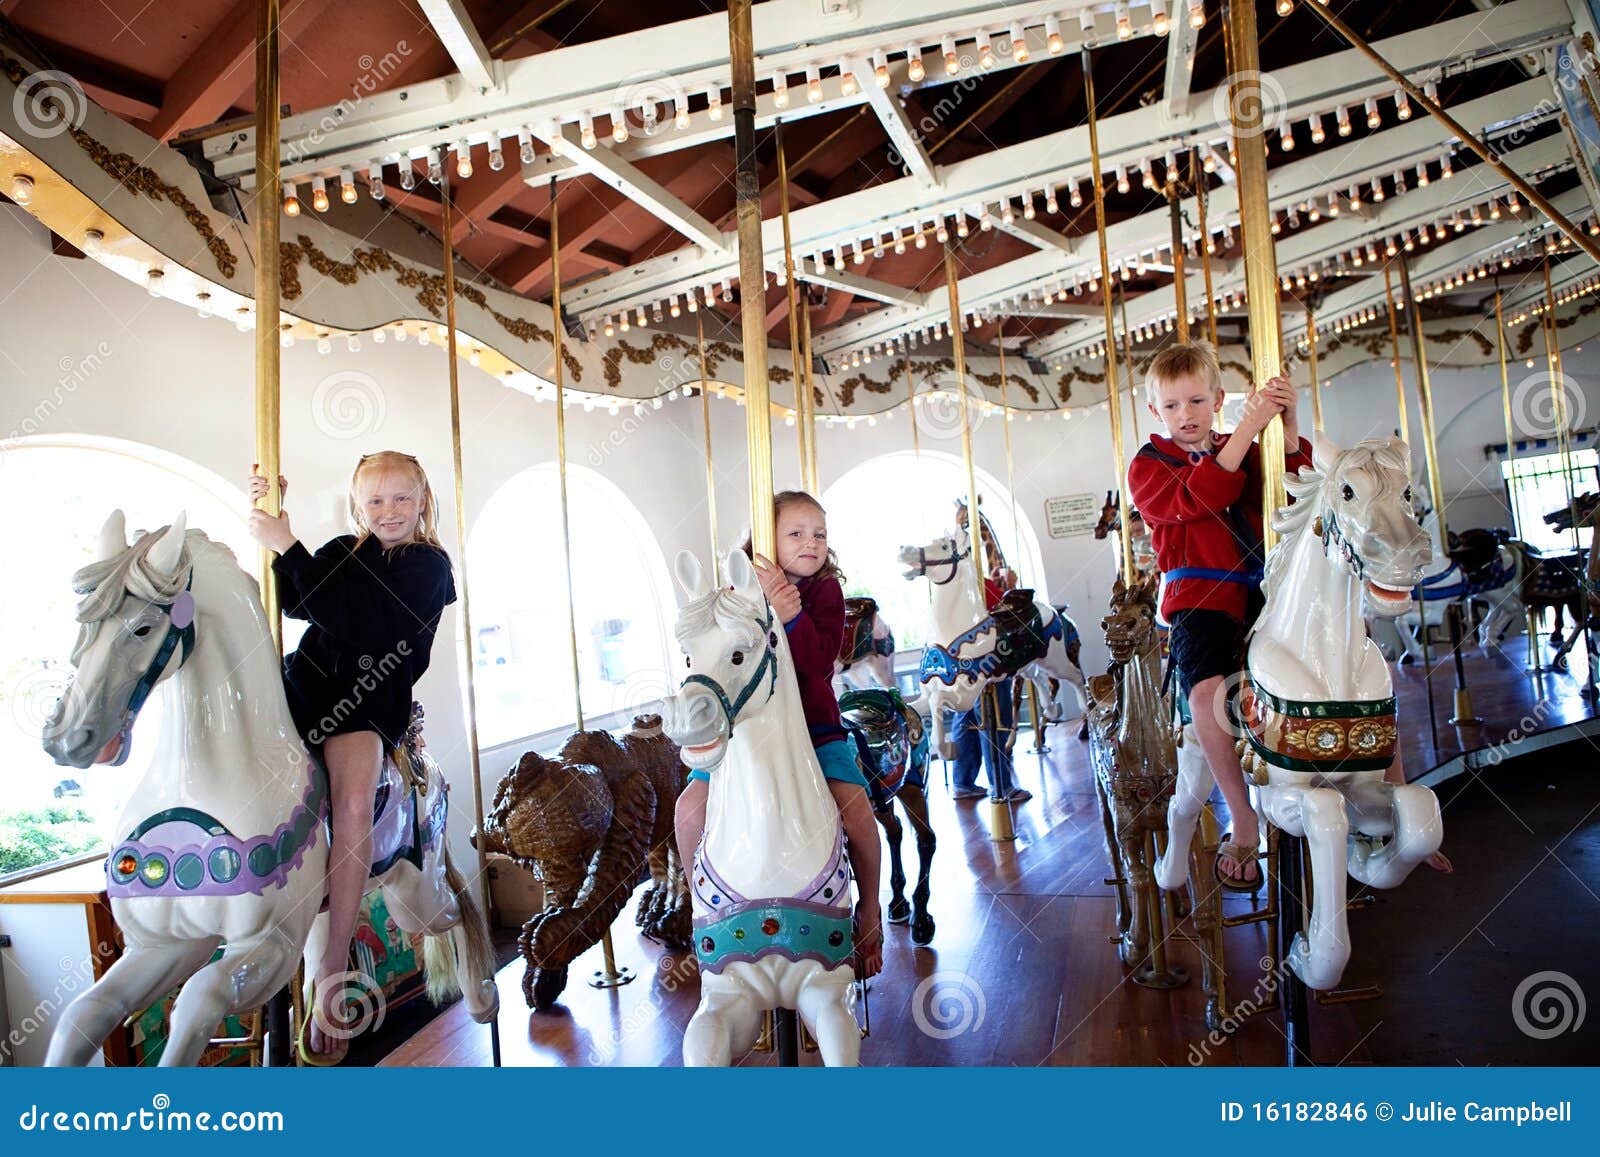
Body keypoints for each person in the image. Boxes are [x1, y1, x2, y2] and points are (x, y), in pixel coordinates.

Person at [246, 451, 456, 1062]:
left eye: (400, 499)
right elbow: (297, 601)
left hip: (367, 695)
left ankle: (332, 961)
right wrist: (275, 521)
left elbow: (369, 624)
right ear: (357, 506)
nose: (388, 512)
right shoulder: (343, 550)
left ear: (423, 502)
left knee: (354, 795)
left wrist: (288, 544)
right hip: (305, 684)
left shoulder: (429, 566)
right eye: (375, 501)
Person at [673, 490, 883, 979]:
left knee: (855, 812)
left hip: (813, 729)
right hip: (744, 735)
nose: (811, 543)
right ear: (765, 539)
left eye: (820, 534)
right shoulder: (733, 595)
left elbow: (818, 664)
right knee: (688, 812)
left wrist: (792, 616)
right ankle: (701, 909)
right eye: (795, 533)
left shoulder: (824, 594)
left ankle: (868, 912)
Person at [1127, 340, 1311, 892]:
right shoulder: (1149, 465)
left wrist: (1287, 417)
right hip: (1199, 600)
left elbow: (1293, 482)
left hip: (1263, 593)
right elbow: (1197, 498)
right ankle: (1242, 815)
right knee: (1207, 694)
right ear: (1155, 411)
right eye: (1173, 405)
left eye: (1197, 401)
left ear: (1218, 400)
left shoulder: (1243, 444)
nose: (1186, 415)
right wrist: (1249, 429)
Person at [951, 565, 1029, 803]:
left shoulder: (956, 586)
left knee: (965, 718)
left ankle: (962, 782)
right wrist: (1007, 587)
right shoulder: (975, 585)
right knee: (994, 717)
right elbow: (1003, 613)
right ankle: (1002, 785)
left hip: (960, 662)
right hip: (988, 661)